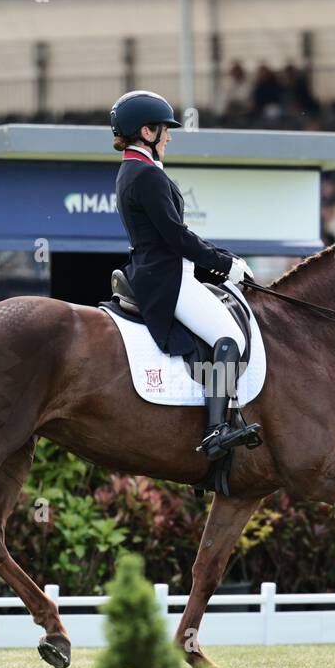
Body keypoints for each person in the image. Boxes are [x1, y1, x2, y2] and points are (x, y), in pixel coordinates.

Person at [110, 90, 260, 461]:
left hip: (160, 269)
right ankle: (215, 430)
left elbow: (175, 235)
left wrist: (223, 258)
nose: (169, 137)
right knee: (229, 337)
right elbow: (176, 237)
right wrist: (225, 266)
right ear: (147, 132)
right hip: (167, 279)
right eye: (165, 130)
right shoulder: (146, 175)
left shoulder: (134, 170)